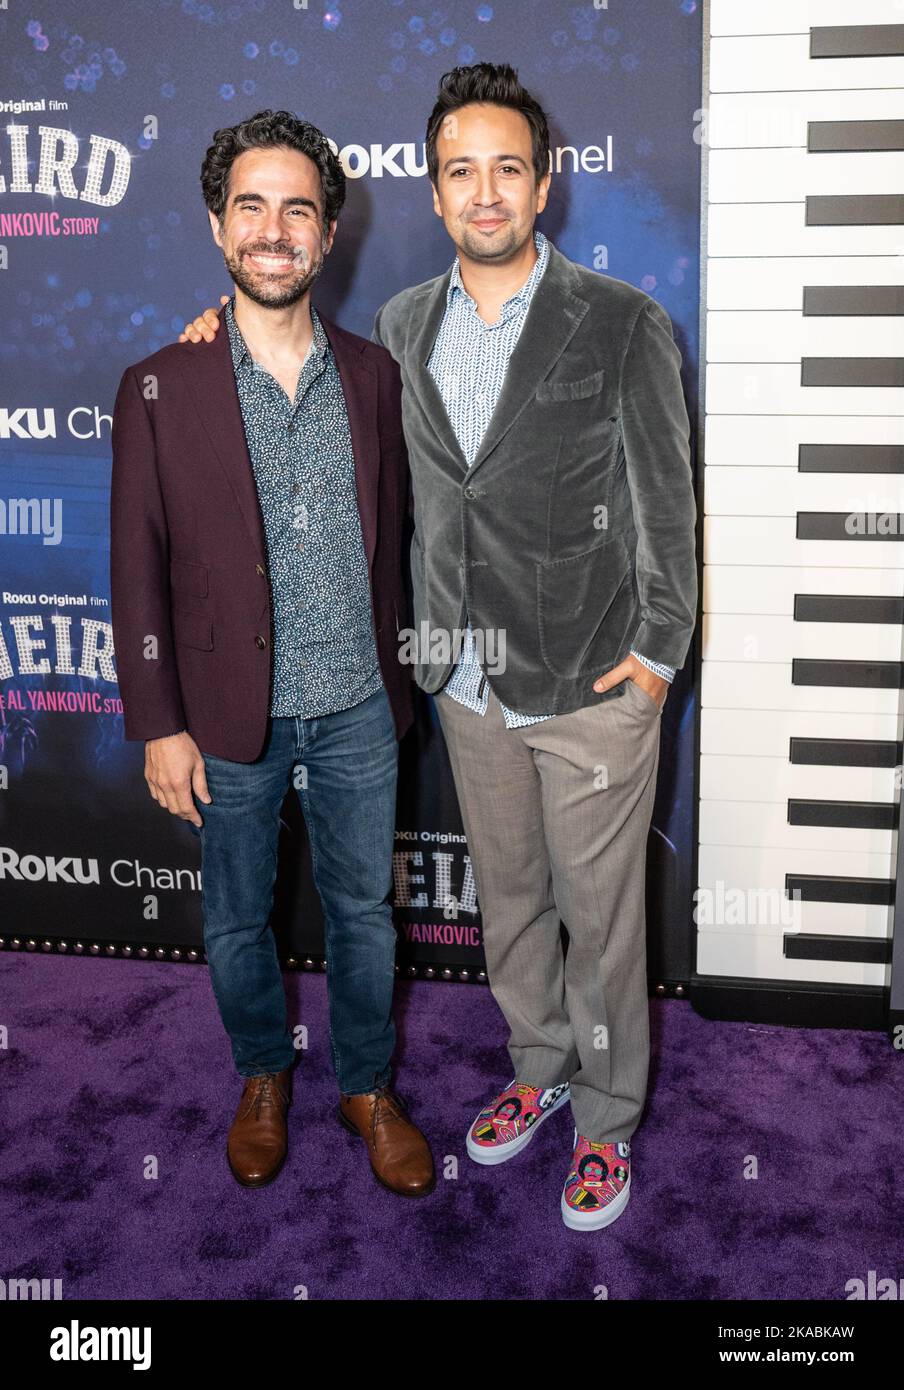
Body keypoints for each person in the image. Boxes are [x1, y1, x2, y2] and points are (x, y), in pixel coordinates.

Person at [179, 64, 698, 1231]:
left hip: (593, 680)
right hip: (457, 674)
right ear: (431, 190)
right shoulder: (401, 328)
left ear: (545, 186)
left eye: (507, 168)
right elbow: (292, 373)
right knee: (509, 902)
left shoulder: (622, 324)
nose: (484, 191)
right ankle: (540, 1066)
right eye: (459, 169)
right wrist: (209, 337)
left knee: (603, 922)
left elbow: (667, 504)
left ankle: (607, 1120)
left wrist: (658, 655)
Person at [111, 109, 434, 1198]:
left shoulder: (376, 376)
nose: (273, 228)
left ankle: (367, 1086)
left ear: (329, 231)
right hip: (222, 710)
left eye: (298, 206)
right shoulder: (161, 384)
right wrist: (157, 719)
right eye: (251, 205)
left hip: (355, 702)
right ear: (217, 227)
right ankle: (262, 1075)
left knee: (362, 914)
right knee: (239, 917)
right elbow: (136, 563)